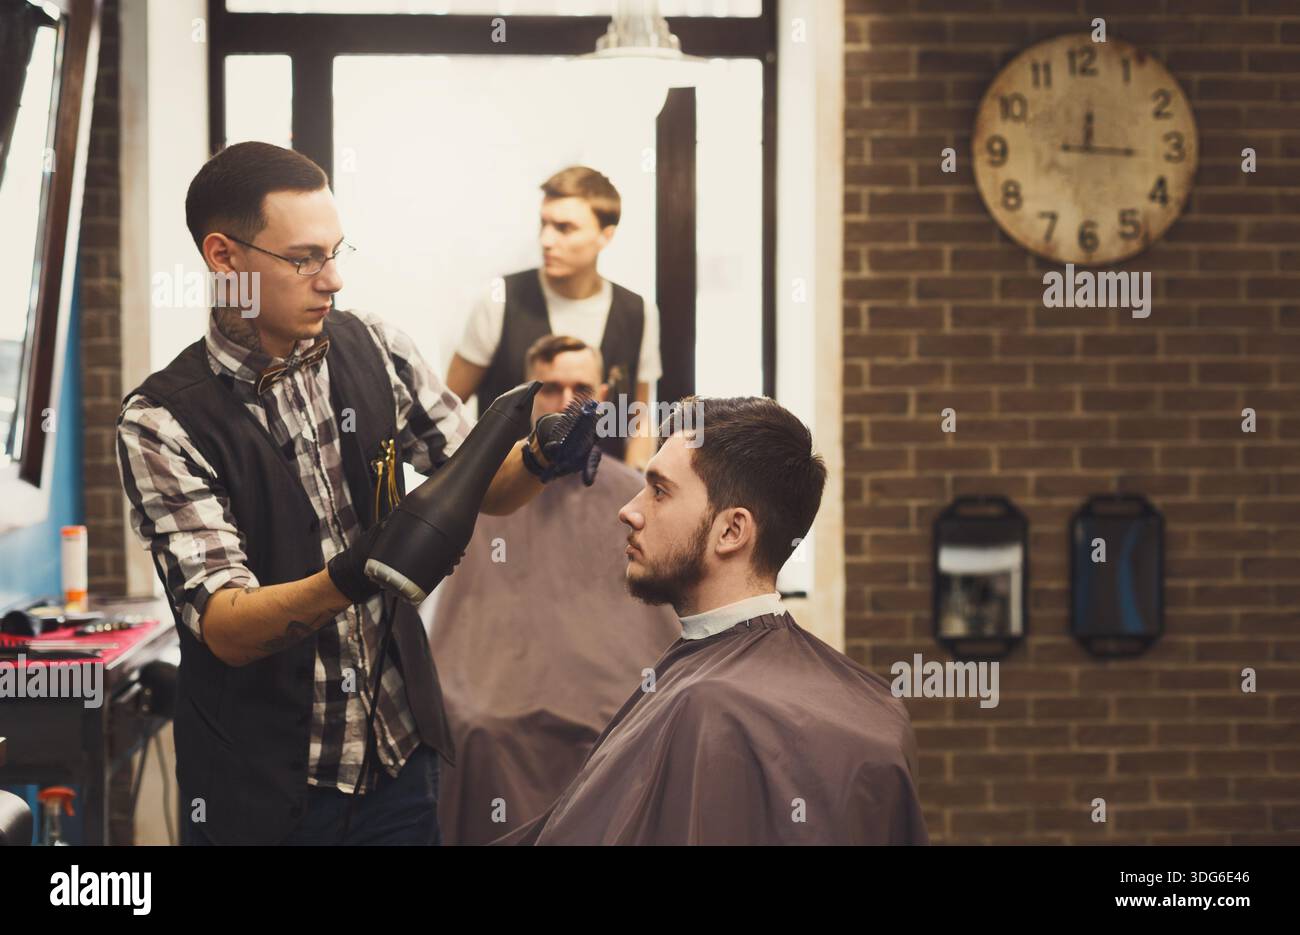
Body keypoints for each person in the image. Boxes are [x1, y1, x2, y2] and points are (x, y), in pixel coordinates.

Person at [115, 141, 587, 846]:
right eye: (304, 258)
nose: (332, 278)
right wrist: (356, 570)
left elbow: (493, 489)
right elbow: (229, 626)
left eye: (336, 251)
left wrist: (541, 455)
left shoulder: (376, 349)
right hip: (264, 792)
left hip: (398, 764)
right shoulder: (162, 421)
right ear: (224, 258)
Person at [495, 397, 929, 845]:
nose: (629, 510)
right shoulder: (876, 703)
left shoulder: (710, 707)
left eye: (659, 490)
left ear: (731, 531)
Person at [430, 334, 679, 844]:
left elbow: (650, 616)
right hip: (499, 677)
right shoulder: (489, 493)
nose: (567, 402)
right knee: (477, 727)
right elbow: (468, 619)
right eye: (551, 388)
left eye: (581, 388)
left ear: (605, 396)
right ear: (529, 395)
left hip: (613, 678)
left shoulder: (631, 493)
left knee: (643, 721)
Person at [445, 166, 661, 468]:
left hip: (598, 497)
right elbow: (446, 410)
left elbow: (638, 415)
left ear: (605, 236)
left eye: (564, 228)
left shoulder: (638, 312)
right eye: (543, 224)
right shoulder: (499, 300)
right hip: (508, 500)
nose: (546, 239)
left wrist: (635, 482)